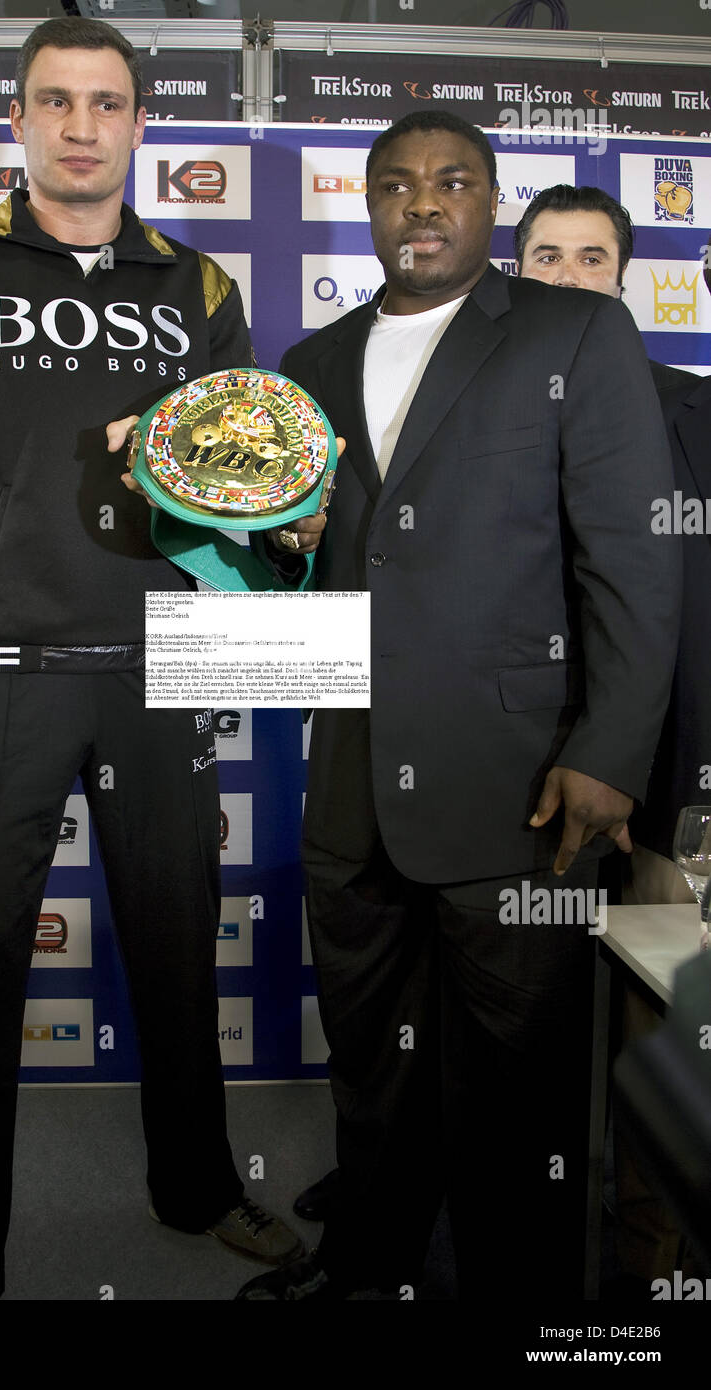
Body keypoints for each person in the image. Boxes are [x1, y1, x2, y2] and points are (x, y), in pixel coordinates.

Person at [0, 15, 301, 1300]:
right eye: (56, 102)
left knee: (178, 945)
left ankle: (197, 1188)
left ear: (142, 126)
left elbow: (240, 488)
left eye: (109, 103)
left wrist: (272, 535)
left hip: (164, 670)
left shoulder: (199, 290)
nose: (83, 125)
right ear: (18, 121)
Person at [235, 111, 681, 1300]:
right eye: (394, 185)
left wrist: (612, 753)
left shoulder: (576, 331)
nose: (421, 203)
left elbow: (632, 564)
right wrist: (257, 542)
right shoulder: (311, 366)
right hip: (352, 800)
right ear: (367, 205)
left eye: (452, 183)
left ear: (491, 205)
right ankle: (367, 1270)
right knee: (374, 1073)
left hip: (521, 792)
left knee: (518, 1093)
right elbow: (307, 586)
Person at [519, 186, 711, 1291]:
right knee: (507, 1021)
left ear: (625, 280)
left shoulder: (688, 413)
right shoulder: (455, 416)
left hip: (654, 777)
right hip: (497, 778)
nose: (570, 277)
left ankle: (651, 1254)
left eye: (594, 258)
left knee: (655, 1030)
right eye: (546, 256)